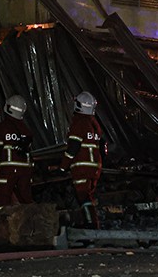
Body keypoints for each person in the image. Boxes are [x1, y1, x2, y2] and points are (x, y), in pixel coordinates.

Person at [63, 91, 104, 228]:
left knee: (83, 196)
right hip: (95, 167)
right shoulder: (94, 124)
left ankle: (91, 224)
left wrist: (62, 167)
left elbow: (73, 148)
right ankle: (88, 221)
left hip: (82, 167)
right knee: (88, 195)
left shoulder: (79, 122)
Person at [0, 94, 34, 205]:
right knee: (25, 198)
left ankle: (4, 220)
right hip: (26, 169)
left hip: (8, 169)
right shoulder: (26, 130)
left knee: (3, 197)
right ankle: (29, 220)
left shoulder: (2, 128)